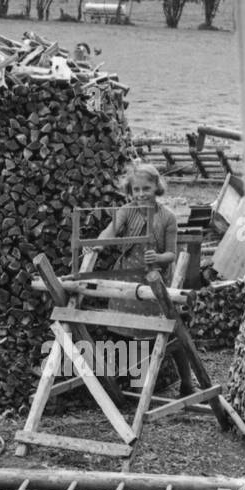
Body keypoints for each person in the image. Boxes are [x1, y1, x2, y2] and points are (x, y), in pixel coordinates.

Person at [93, 163, 195, 404]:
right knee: (128, 333)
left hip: (155, 281)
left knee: (171, 332)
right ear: (130, 190)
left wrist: (158, 258)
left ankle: (188, 382)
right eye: (136, 189)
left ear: (156, 188)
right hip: (127, 279)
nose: (141, 194)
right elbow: (109, 232)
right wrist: (98, 244)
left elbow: (172, 253)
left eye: (146, 188)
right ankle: (135, 389)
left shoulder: (167, 217)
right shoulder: (126, 211)